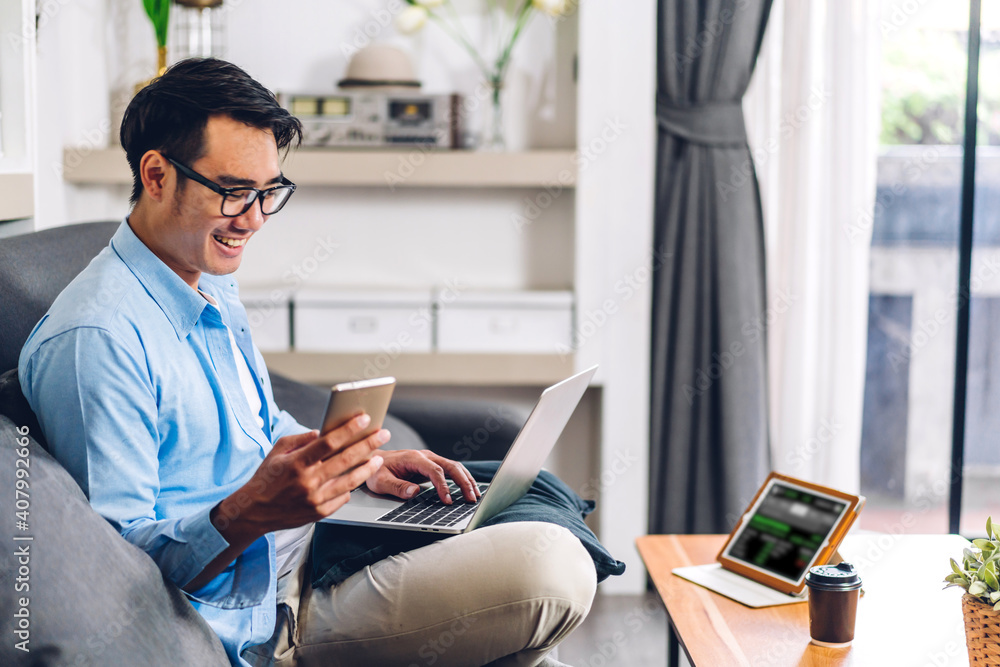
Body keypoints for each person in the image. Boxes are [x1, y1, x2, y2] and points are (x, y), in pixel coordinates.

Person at [18, 58, 596, 667]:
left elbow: (261, 428)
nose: (255, 219)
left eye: (270, 193)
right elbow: (120, 569)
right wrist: (250, 511)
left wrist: (356, 464)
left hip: (310, 546)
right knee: (550, 567)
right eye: (235, 192)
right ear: (157, 175)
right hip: (267, 610)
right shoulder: (97, 340)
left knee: (525, 607)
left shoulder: (202, 278)